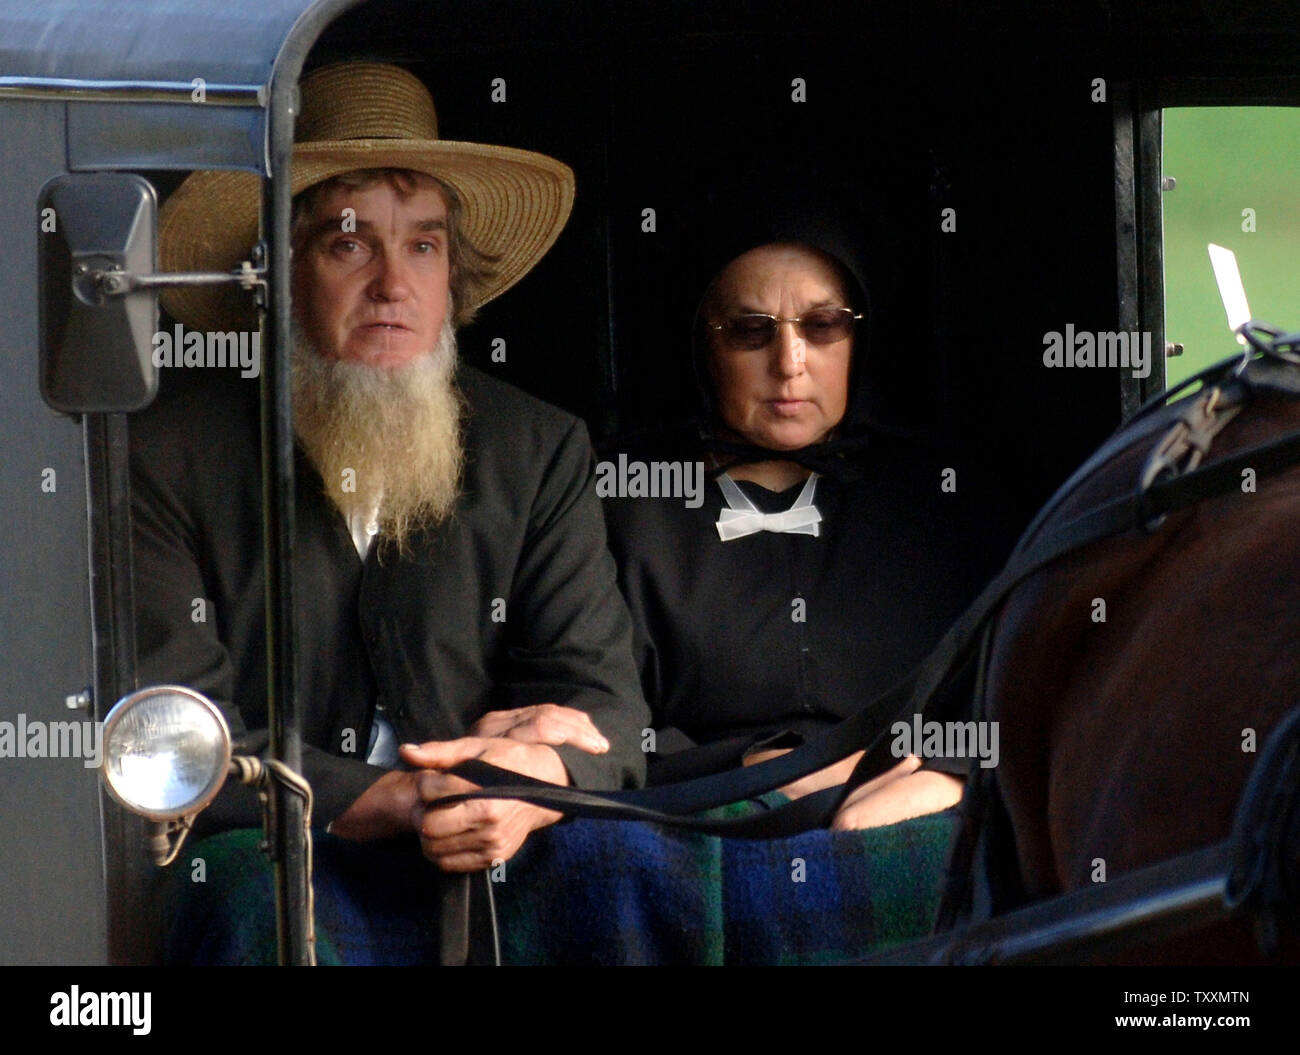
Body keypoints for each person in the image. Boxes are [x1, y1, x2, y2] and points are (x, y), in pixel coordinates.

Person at [130, 62, 649, 958]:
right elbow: (173, 739)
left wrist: (532, 778)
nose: (392, 284)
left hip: (502, 848)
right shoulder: (172, 455)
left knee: (629, 869)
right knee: (247, 909)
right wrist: (400, 799)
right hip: (281, 854)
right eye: (348, 242)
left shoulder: (537, 449)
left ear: (454, 275)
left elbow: (606, 706)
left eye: (422, 245)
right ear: (278, 272)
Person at [601, 233, 1007, 827]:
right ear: (702, 345)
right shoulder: (620, 499)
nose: (790, 363)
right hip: (687, 813)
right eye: (751, 330)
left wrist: (950, 774)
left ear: (858, 339)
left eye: (822, 325)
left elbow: (1024, 692)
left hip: (912, 804)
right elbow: (590, 721)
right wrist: (761, 769)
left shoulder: (942, 497)